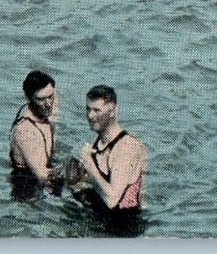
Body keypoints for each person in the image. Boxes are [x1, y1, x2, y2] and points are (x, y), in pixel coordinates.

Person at [64, 85, 147, 236]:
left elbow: (112, 199)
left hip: (121, 229)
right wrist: (72, 166)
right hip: (98, 220)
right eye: (88, 109)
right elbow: (83, 184)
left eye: (97, 110)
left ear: (112, 111)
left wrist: (89, 165)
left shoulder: (125, 147)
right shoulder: (99, 143)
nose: (90, 116)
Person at [9, 70, 60, 200]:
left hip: (48, 173)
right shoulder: (25, 130)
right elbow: (43, 176)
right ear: (29, 98)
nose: (49, 104)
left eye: (50, 96)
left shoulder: (48, 104)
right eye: (41, 99)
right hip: (28, 187)